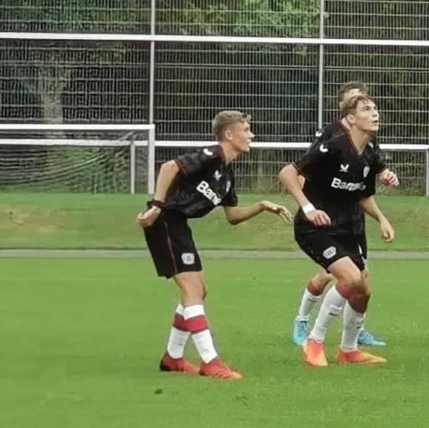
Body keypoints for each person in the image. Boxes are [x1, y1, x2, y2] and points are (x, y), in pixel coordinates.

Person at [141, 111, 290, 380]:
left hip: (178, 224)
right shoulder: (212, 155)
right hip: (165, 220)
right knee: (192, 289)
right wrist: (156, 205)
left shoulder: (227, 175)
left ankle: (172, 357)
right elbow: (169, 168)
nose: (251, 135)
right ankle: (210, 361)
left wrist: (262, 206)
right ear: (229, 134)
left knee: (200, 290)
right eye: (246, 129)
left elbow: (232, 217)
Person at [279, 94, 396, 367]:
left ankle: (349, 349)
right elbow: (287, 173)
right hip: (314, 228)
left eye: (375, 108)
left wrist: (381, 218)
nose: (375, 113)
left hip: (346, 229)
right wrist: (308, 208)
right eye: (367, 109)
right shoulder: (333, 147)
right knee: (350, 279)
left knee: (363, 291)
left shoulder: (368, 155)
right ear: (351, 118)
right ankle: (314, 341)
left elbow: (362, 195)